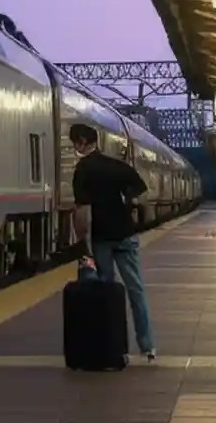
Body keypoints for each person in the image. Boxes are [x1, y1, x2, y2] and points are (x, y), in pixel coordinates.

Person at [69, 123, 156, 362]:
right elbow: (143, 196)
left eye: (74, 143)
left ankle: (114, 347)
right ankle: (148, 346)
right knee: (136, 290)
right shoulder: (118, 166)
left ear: (81, 143)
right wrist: (130, 209)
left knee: (107, 292)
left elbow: (83, 212)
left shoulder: (83, 169)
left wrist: (82, 246)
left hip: (101, 238)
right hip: (126, 235)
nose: (74, 148)